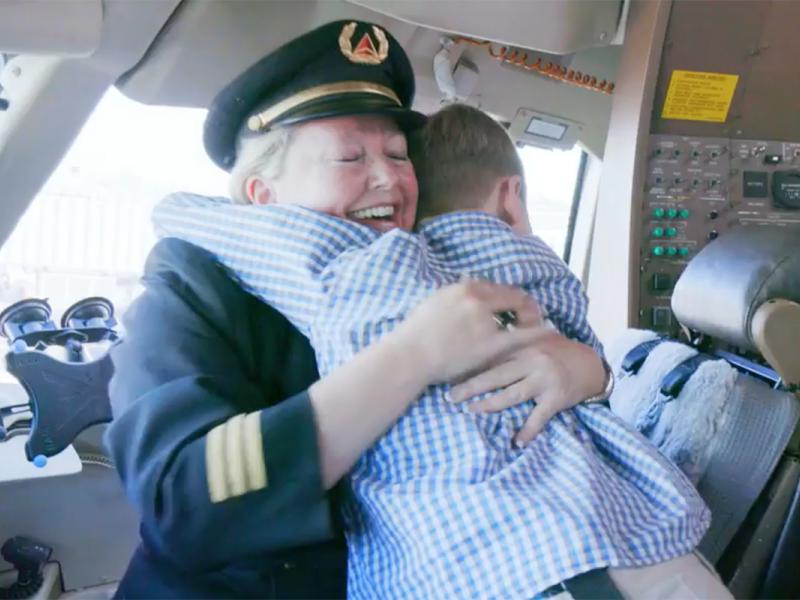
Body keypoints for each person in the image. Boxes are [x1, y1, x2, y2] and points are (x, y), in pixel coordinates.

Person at [106, 19, 731, 600]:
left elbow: (521, 326)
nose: (391, 179)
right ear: (261, 193)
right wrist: (412, 355)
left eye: (399, 155)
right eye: (352, 158)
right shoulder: (193, 288)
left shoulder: (419, 261)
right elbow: (182, 500)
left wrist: (585, 369)